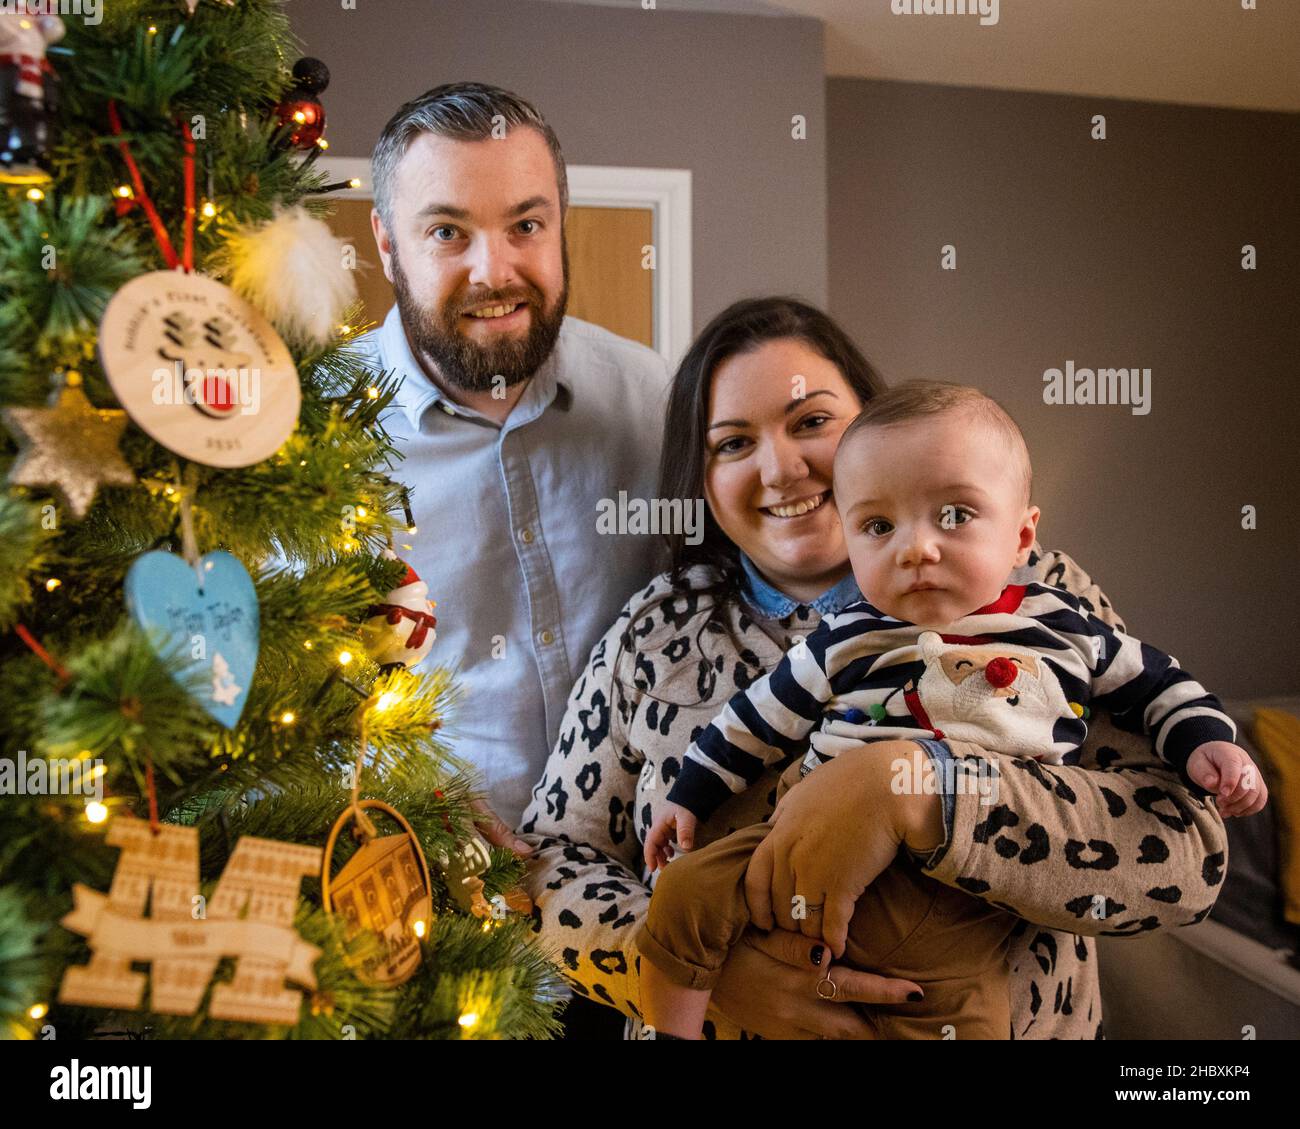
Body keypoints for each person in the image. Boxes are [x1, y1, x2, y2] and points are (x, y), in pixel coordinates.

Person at [517, 296, 1231, 1039]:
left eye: (812, 421)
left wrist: (918, 793)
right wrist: (700, 975)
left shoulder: (1039, 602)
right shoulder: (658, 630)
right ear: (700, 479)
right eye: (732, 443)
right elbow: (545, 866)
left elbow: (1185, 860)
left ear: (873, 422)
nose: (781, 468)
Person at [357, 82, 670, 845]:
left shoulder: (656, 398)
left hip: (653, 885)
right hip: (427, 897)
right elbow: (274, 687)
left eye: (525, 224)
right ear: (386, 241)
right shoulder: (312, 433)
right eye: (447, 233)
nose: (494, 271)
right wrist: (410, 794)